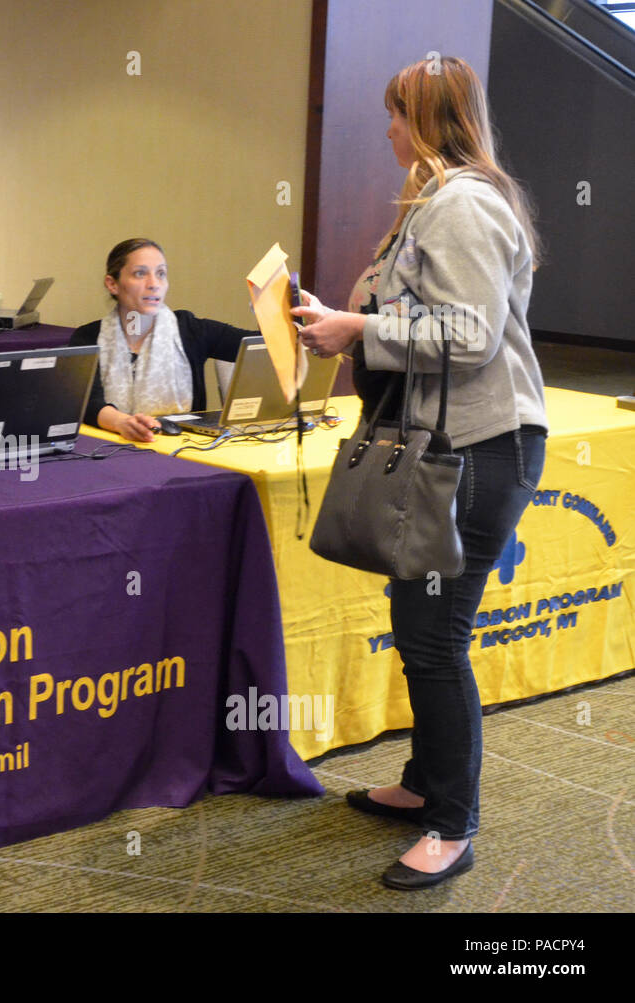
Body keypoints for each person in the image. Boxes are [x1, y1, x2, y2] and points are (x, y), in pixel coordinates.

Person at [294, 56, 548, 889]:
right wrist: (340, 322)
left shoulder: (463, 204)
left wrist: (357, 328)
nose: (390, 130)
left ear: (431, 119)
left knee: (435, 637)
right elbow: (419, 312)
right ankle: (425, 783)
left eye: (398, 115)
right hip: (457, 447)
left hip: (479, 449)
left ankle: (452, 822)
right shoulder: (435, 202)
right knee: (420, 626)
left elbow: (468, 336)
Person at [69, 238, 257, 442]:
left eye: (161, 274)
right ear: (112, 284)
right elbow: (87, 401)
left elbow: (260, 346)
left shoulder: (190, 329)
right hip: (115, 448)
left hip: (187, 451)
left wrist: (288, 318)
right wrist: (122, 422)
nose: (153, 284)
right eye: (140, 274)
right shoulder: (87, 338)